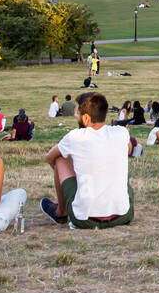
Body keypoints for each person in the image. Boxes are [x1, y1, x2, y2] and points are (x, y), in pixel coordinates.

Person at [41, 92, 135, 230]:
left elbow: (50, 157)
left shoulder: (75, 137)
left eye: (78, 113)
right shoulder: (121, 132)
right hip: (123, 215)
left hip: (85, 219)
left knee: (60, 159)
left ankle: (61, 212)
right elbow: (128, 150)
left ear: (85, 118)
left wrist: (72, 174)